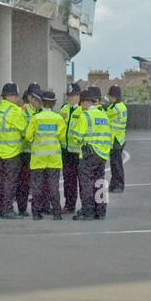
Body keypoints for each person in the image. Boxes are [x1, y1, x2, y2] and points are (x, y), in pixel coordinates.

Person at [72, 86, 113, 220]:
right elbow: (109, 135)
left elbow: (77, 136)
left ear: (85, 102)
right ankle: (101, 211)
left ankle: (88, 211)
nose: (81, 107)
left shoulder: (85, 116)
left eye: (81, 104)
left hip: (89, 154)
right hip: (102, 154)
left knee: (86, 183)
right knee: (100, 182)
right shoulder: (104, 115)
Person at [0, 83, 29, 218]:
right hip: (12, 152)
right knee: (10, 182)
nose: (17, 99)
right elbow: (24, 129)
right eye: (16, 96)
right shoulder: (14, 111)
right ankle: (7, 210)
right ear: (11, 96)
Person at [25, 89, 67, 219]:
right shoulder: (58, 118)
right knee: (53, 185)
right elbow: (62, 138)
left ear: (42, 102)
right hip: (54, 158)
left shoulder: (36, 118)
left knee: (37, 186)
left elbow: (28, 137)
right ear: (54, 103)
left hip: (38, 158)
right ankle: (57, 213)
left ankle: (36, 213)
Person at [15, 84, 40, 216]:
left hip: (40, 153)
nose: (36, 101)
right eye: (34, 97)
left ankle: (40, 208)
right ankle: (22, 208)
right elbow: (22, 130)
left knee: (39, 183)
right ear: (30, 98)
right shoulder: (23, 111)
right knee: (24, 182)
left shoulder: (43, 112)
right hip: (26, 152)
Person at [59, 83, 83, 215]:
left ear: (79, 96)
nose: (70, 98)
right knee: (68, 180)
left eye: (73, 95)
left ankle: (85, 206)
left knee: (82, 180)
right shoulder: (64, 109)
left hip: (78, 152)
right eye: (69, 96)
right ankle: (69, 205)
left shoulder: (82, 111)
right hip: (66, 150)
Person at [105, 85, 128, 192]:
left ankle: (118, 184)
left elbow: (105, 115)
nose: (109, 98)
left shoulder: (115, 108)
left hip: (115, 140)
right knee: (115, 163)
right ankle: (114, 184)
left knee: (116, 164)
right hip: (120, 138)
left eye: (110, 96)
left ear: (114, 97)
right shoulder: (122, 106)